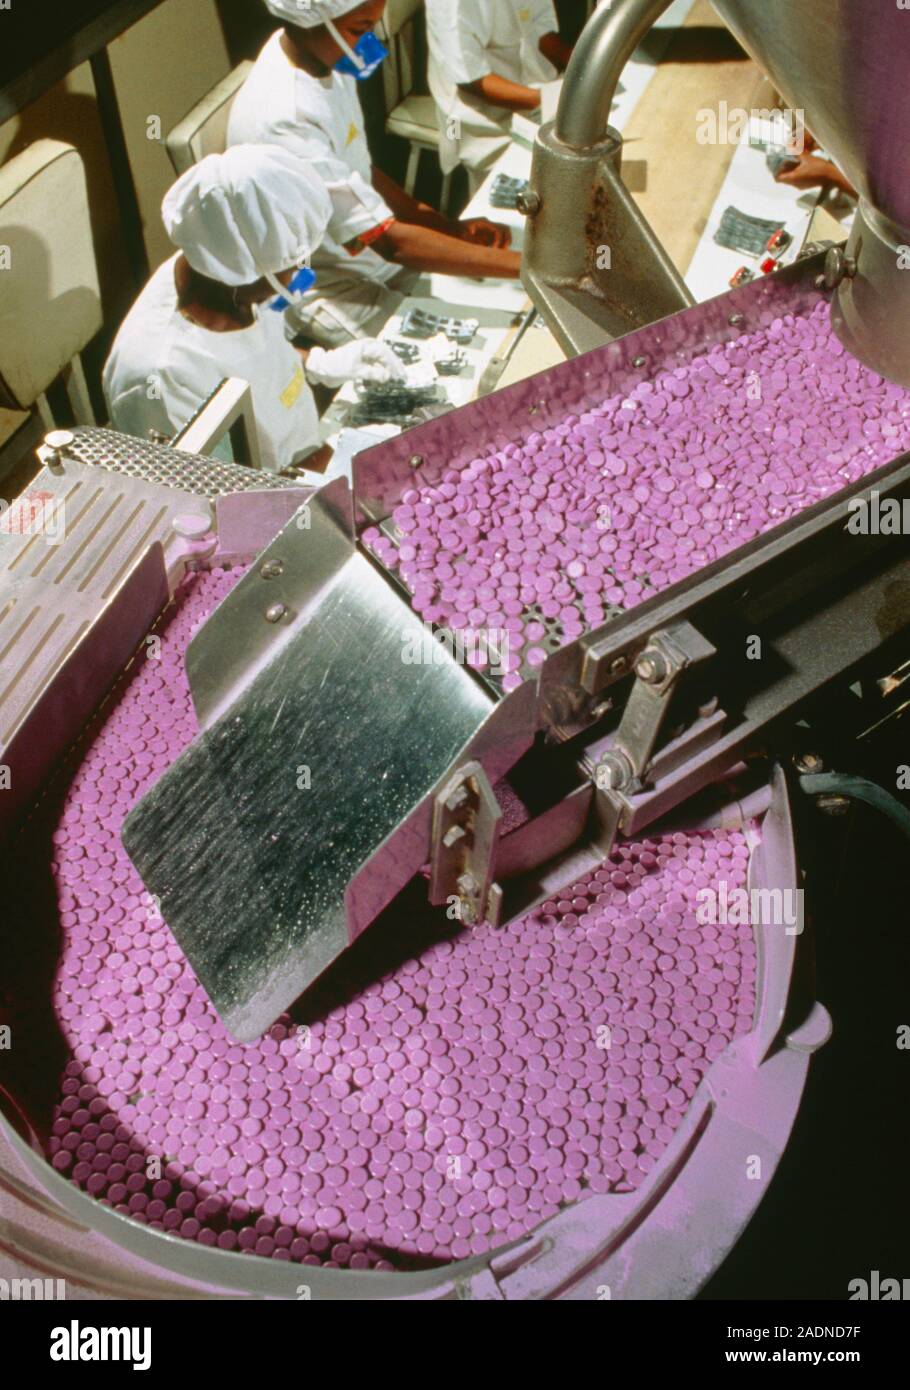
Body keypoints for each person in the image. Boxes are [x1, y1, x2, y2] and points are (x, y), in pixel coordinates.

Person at [227, 0, 521, 347]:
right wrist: (530, 268)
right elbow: (390, 244)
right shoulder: (285, 117)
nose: (370, 46)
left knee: (497, 304)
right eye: (360, 29)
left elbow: (357, 168)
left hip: (367, 252)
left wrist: (447, 227)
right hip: (320, 283)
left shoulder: (324, 55)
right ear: (310, 20)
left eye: (372, 27)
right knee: (460, 348)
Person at [103, 145, 403, 474]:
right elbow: (226, 503)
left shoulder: (224, 271)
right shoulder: (162, 376)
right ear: (239, 271)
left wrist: (317, 363)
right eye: (292, 266)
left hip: (305, 453)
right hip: (268, 502)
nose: (302, 278)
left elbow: (258, 348)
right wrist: (339, 463)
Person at [426, 0, 573, 194]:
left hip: (534, 90)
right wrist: (548, 101)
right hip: (471, 115)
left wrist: (584, 66)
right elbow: (471, 80)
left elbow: (541, 30)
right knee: (539, 187)